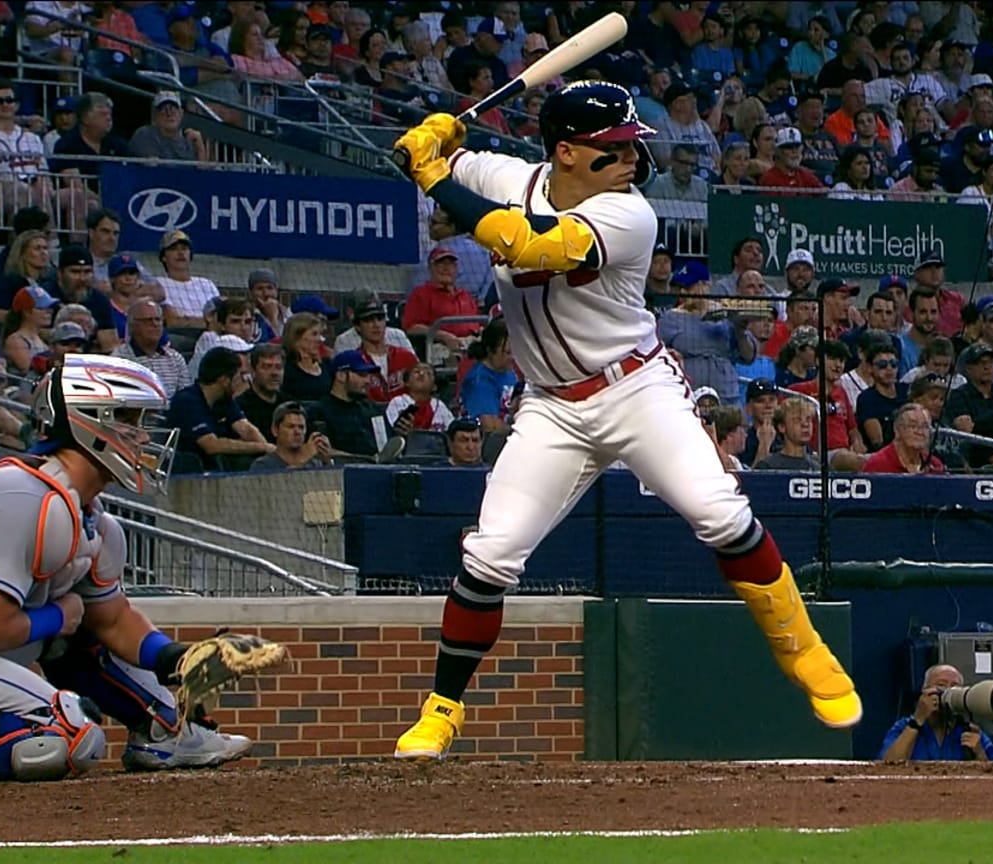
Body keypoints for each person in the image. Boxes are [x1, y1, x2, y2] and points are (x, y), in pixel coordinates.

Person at [390, 85, 863, 759]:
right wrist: (430, 143)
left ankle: (804, 650)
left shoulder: (628, 214)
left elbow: (529, 246)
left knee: (719, 513)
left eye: (633, 144)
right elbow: (432, 166)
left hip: (635, 388)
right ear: (566, 153)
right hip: (552, 405)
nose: (633, 157)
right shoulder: (503, 176)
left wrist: (435, 173)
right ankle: (441, 710)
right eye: (614, 149)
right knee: (490, 556)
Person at [0, 355, 254, 783]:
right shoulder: (23, 497)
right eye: (128, 418)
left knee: (90, 642)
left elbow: (111, 620)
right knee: (65, 733)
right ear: (88, 421)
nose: (144, 435)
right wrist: (59, 616)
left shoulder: (91, 517)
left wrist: (175, 658)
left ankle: (166, 732)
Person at [168, 348, 274, 472]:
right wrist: (261, 447)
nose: (244, 380)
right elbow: (212, 445)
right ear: (224, 380)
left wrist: (271, 456)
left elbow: (247, 429)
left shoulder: (224, 400)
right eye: (240, 375)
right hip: (186, 473)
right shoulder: (187, 401)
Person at [878, 663, 993, 762]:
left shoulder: (969, 730)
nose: (947, 691)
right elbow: (887, 767)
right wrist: (917, 721)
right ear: (925, 691)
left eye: (954, 686)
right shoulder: (904, 727)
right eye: (941, 685)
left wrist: (979, 753)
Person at [250, 402, 331, 472]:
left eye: (301, 427)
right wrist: (303, 459)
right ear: (275, 430)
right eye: (291, 426)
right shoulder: (263, 465)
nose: (297, 432)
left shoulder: (314, 463)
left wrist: (327, 461)